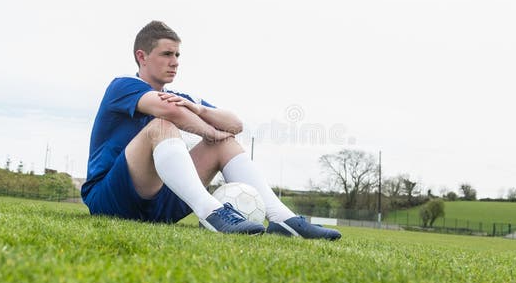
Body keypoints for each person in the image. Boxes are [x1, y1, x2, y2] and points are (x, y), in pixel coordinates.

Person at [81, 20, 341, 239]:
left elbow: (235, 125)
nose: (175, 62)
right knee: (163, 126)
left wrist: (200, 110)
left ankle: (283, 219)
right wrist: (210, 131)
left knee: (224, 143)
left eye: (178, 55)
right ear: (142, 56)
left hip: (159, 206)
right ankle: (211, 214)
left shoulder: (178, 96)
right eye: (167, 54)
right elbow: (169, 112)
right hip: (110, 200)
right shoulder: (123, 86)